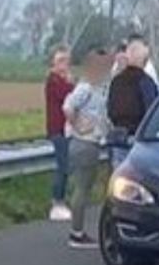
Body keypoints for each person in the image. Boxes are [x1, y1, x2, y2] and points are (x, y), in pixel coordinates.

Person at [62, 47, 113, 249]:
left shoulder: (97, 87)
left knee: (85, 186)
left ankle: (78, 230)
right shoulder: (85, 88)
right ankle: (77, 232)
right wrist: (78, 125)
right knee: (82, 188)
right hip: (85, 142)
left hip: (91, 142)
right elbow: (68, 107)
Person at [107, 34, 159, 158]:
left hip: (118, 138)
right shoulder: (146, 82)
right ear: (144, 60)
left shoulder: (116, 81)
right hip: (139, 139)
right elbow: (152, 112)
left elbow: (110, 110)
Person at [43, 45, 74, 222]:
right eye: (60, 60)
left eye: (66, 60)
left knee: (66, 166)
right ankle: (57, 203)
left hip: (67, 129)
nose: (65, 64)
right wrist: (70, 83)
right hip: (58, 130)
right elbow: (68, 95)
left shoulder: (63, 80)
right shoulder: (54, 81)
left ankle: (62, 200)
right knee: (63, 166)